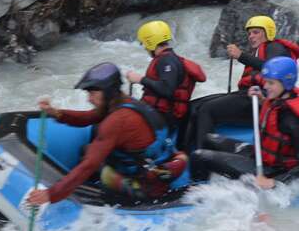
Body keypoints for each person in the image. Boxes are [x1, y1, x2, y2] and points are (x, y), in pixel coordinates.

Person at [24, 63, 188, 207]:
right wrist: (56, 113)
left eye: (92, 93)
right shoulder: (127, 103)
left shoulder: (117, 121)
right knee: (91, 150)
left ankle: (109, 198)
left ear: (109, 92)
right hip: (162, 171)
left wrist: (51, 194)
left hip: (146, 188)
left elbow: (88, 166)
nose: (89, 99)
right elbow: (89, 117)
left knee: (89, 154)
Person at [191, 56, 299, 189]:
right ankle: (210, 179)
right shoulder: (280, 99)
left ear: (286, 83)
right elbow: (274, 112)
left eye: (271, 83)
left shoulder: (291, 121)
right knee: (209, 139)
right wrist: (261, 99)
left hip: (272, 171)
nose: (265, 86)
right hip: (259, 155)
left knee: (198, 156)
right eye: (266, 82)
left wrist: (275, 182)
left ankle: (199, 192)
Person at [192, 15, 299, 149]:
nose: (251, 36)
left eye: (256, 32)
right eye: (249, 33)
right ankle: (183, 153)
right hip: (247, 95)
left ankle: (201, 154)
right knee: (195, 106)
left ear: (268, 33)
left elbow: (274, 68)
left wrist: (241, 56)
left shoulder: (275, 46)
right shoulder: (258, 51)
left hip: (261, 98)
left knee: (207, 109)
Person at [124, 20, 206, 136]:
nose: (145, 48)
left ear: (150, 42)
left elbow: (167, 89)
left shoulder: (166, 61)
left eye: (145, 44)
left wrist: (140, 79)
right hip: (162, 112)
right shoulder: (170, 58)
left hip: (164, 116)